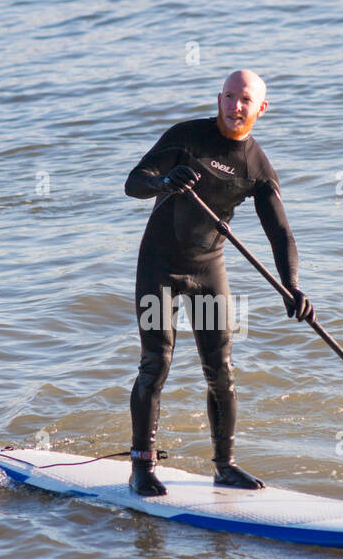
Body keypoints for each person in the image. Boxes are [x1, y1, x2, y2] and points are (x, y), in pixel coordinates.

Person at [124, 68, 314, 496]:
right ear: (219, 99)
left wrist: (292, 287)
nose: (235, 106)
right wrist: (163, 182)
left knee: (220, 371)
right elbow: (132, 183)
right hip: (160, 267)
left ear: (260, 108)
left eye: (245, 100)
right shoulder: (186, 137)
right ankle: (141, 468)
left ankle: (225, 466)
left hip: (208, 270)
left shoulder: (257, 167)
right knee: (157, 364)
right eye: (229, 97)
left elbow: (280, 233)